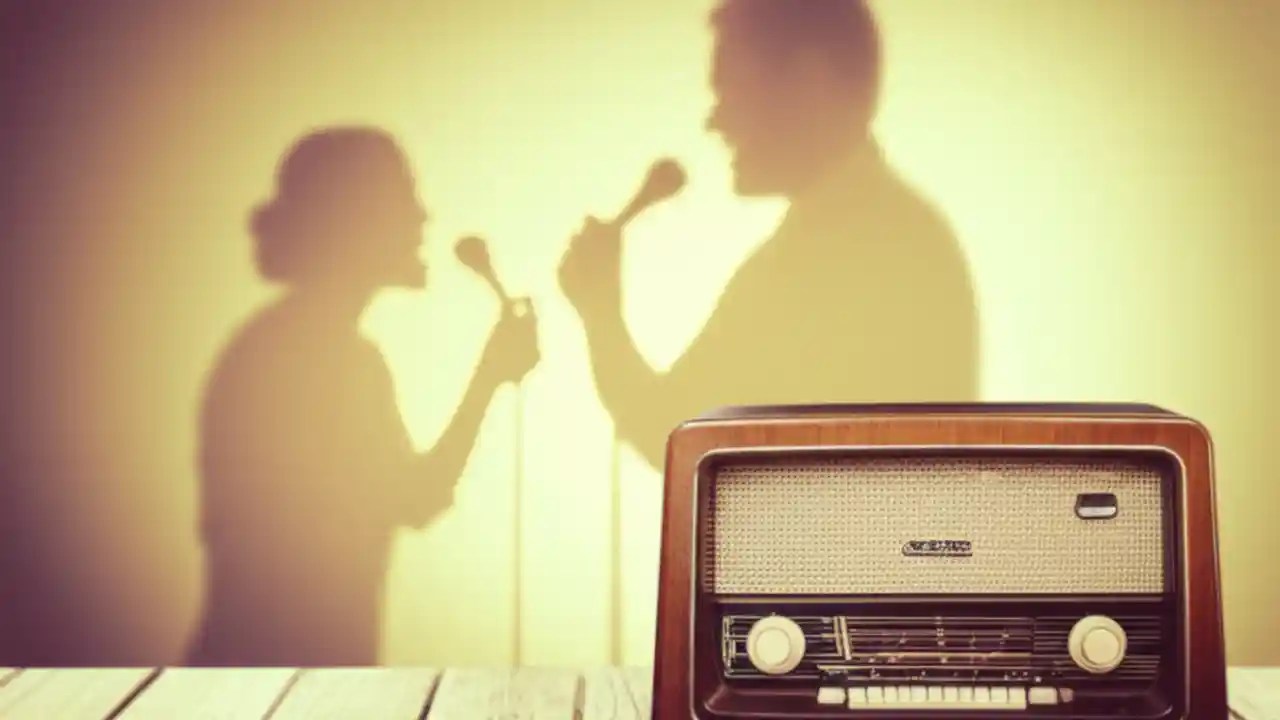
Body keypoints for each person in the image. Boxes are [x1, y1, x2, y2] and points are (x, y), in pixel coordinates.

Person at [558, 0, 979, 469]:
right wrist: (601, 315)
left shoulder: (845, 254)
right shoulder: (885, 236)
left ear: (807, 82)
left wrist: (601, 316)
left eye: (729, 88)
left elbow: (678, 438)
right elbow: (681, 435)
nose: (713, 121)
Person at [186, 127, 538, 665]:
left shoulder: (296, 344)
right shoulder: (322, 355)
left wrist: (490, 375)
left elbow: (411, 497)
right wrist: (488, 376)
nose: (423, 217)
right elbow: (416, 498)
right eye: (403, 199)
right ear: (353, 221)